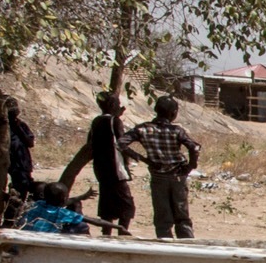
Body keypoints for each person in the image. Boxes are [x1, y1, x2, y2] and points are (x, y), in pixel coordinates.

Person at [122, 96, 200, 239]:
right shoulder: (176, 130)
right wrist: (190, 166)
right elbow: (194, 147)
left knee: (162, 217)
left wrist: (144, 159)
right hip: (178, 175)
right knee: (182, 216)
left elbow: (121, 143)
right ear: (173, 113)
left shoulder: (143, 129)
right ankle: (187, 245)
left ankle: (165, 246)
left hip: (158, 176)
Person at [87, 91, 136, 236]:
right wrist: (134, 157)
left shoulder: (97, 121)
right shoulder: (115, 121)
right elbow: (121, 143)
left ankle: (106, 232)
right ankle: (123, 231)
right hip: (115, 168)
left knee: (107, 202)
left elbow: (91, 142)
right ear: (113, 105)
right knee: (127, 205)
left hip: (101, 169)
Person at [20, 181, 110, 235]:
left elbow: (67, 202)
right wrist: (119, 227)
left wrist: (82, 197)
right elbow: (96, 221)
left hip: (28, 237)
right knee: (83, 226)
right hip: (48, 241)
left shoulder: (37, 204)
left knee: (75, 204)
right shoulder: (61, 213)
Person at [3, 97, 36, 196]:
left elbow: (30, 143)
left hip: (23, 162)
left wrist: (18, 127)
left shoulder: (21, 125)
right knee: (18, 185)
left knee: (25, 184)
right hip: (11, 162)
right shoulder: (0, 124)